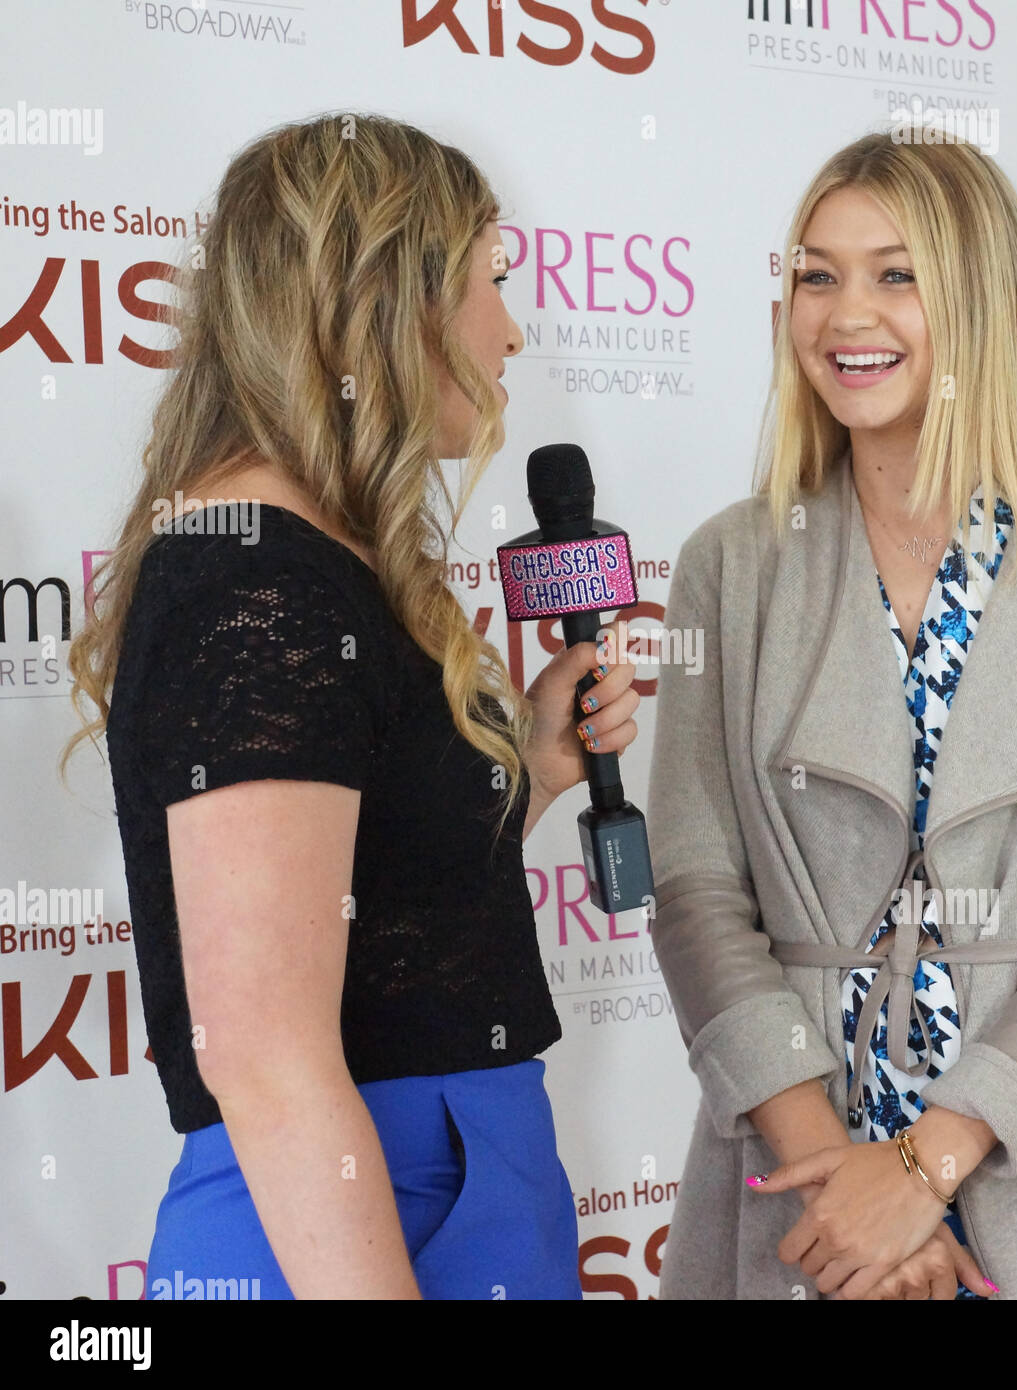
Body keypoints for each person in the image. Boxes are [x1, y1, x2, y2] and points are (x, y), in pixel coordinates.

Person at [60, 112, 640, 1300]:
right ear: (388, 303)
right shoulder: (254, 580)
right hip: (352, 1221)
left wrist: (527, 761)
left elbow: (366, 899)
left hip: (452, 1191)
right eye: (490, 282)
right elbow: (267, 1054)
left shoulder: (318, 559)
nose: (512, 330)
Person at [646, 129, 1017, 1300]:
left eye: (897, 274)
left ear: (981, 301)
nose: (848, 315)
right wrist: (840, 1187)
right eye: (817, 274)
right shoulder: (727, 564)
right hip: (795, 1186)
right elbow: (698, 895)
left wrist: (926, 1162)